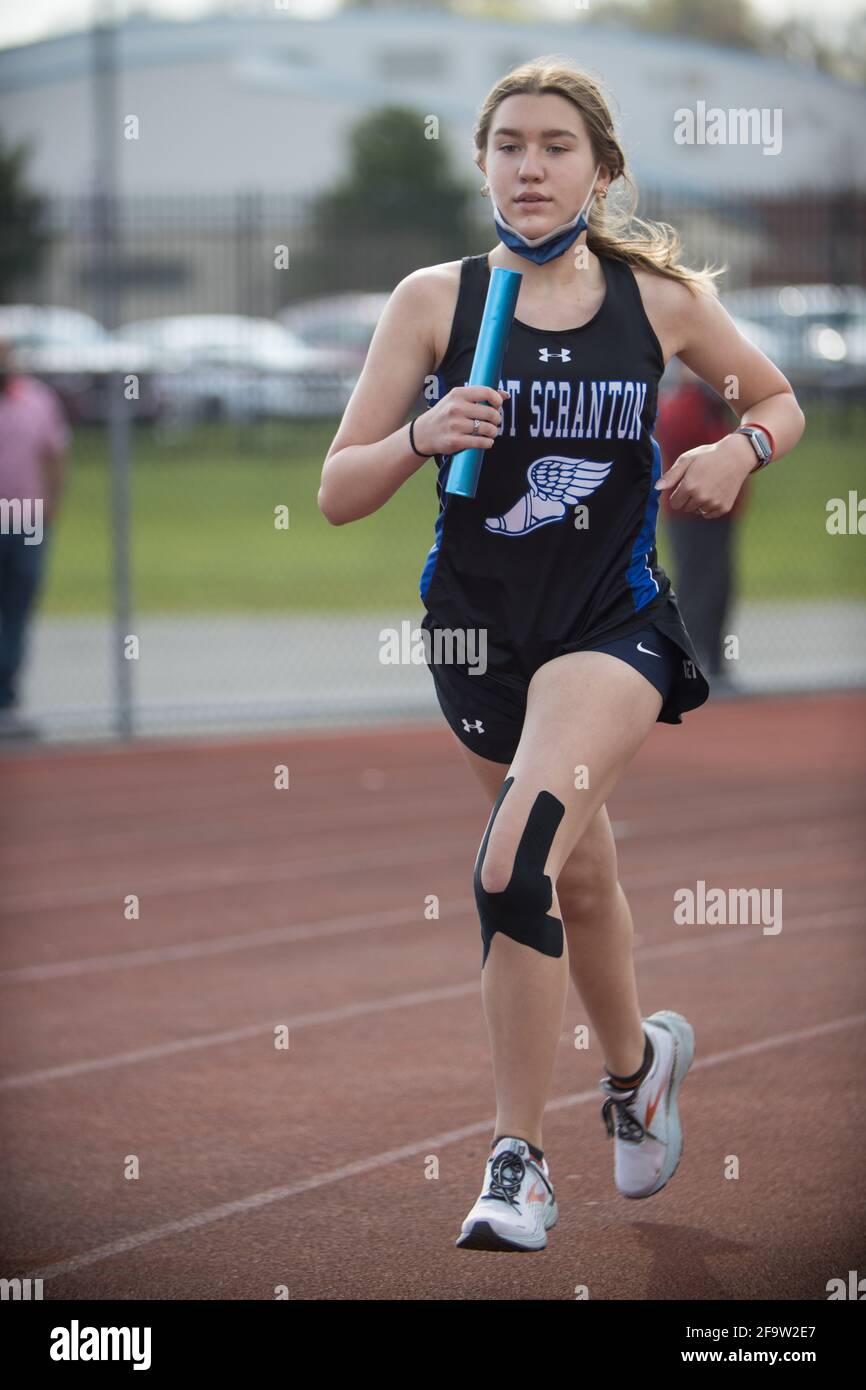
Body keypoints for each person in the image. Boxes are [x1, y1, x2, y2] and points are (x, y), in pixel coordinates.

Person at [318, 58, 804, 1253]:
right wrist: (421, 434)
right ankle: (639, 1069)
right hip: (478, 639)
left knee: (506, 868)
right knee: (571, 877)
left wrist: (738, 448)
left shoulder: (657, 300)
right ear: (480, 162)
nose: (528, 167)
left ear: (599, 168)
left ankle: (515, 1161)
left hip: (609, 628)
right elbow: (335, 490)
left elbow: (779, 400)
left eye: (553, 146)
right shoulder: (435, 299)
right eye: (507, 146)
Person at [655, 361, 748, 692]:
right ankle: (689, 667)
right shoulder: (681, 404)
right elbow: (694, 443)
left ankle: (718, 664)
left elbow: (735, 457)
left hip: (720, 516)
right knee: (695, 588)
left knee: (721, 586)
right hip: (688, 517)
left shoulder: (716, 406)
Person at [0, 337, 70, 739]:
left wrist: (52, 504)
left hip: (24, 516)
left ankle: (6, 699)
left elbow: (55, 454)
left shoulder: (36, 401)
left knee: (17, 606)